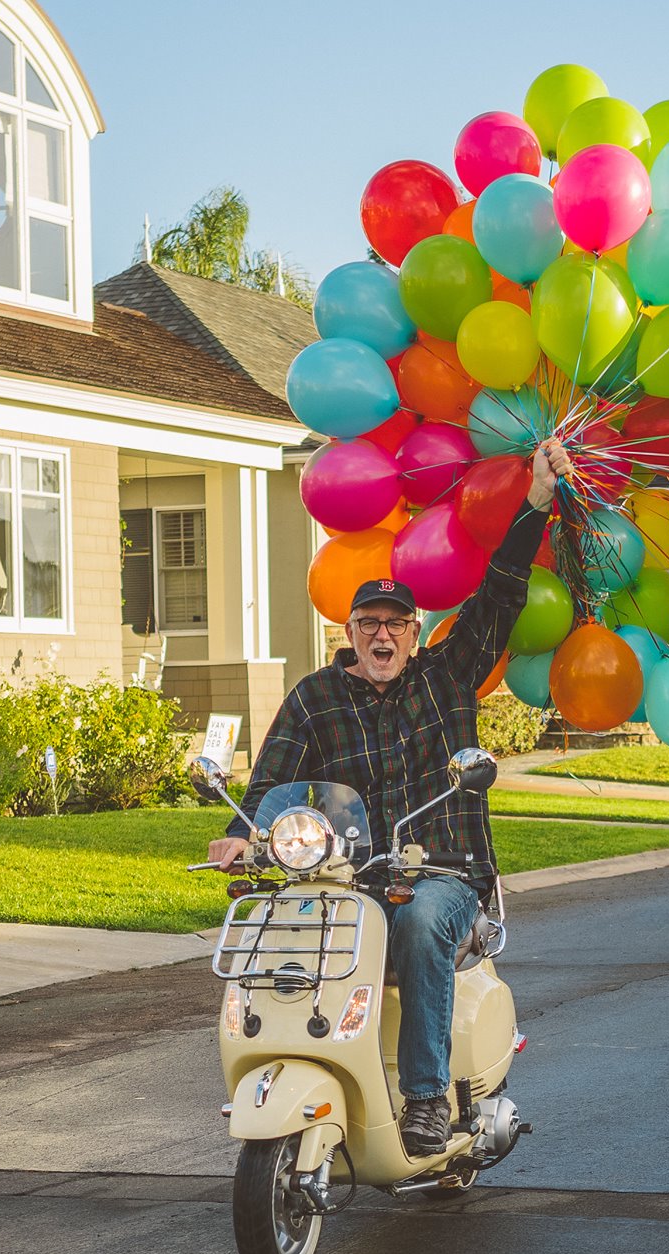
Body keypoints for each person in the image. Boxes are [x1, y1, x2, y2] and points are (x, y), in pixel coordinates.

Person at [207, 439, 574, 1155]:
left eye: (396, 624)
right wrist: (244, 832)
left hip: (445, 873)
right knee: (293, 931)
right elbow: (274, 778)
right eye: (368, 623)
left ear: (414, 633)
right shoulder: (317, 697)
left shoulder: (446, 675)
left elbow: (500, 589)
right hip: (354, 878)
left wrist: (534, 501)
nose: (382, 634)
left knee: (415, 928)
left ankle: (428, 1100)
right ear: (349, 632)